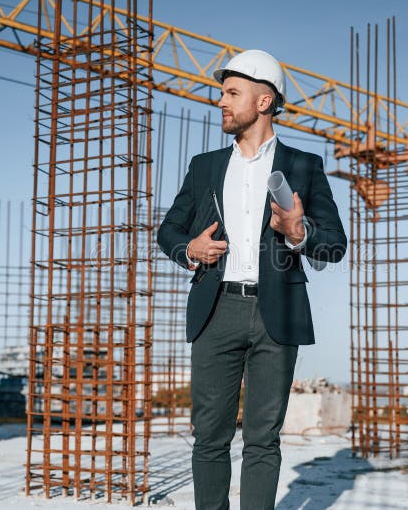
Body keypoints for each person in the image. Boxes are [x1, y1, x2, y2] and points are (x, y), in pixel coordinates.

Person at [157, 49, 347, 510]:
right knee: (209, 438)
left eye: (231, 93)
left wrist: (299, 232)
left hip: (276, 313)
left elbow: (335, 245)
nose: (220, 101)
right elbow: (168, 231)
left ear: (263, 102)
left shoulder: (304, 165)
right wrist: (189, 250)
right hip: (215, 308)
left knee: (263, 440)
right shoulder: (204, 167)